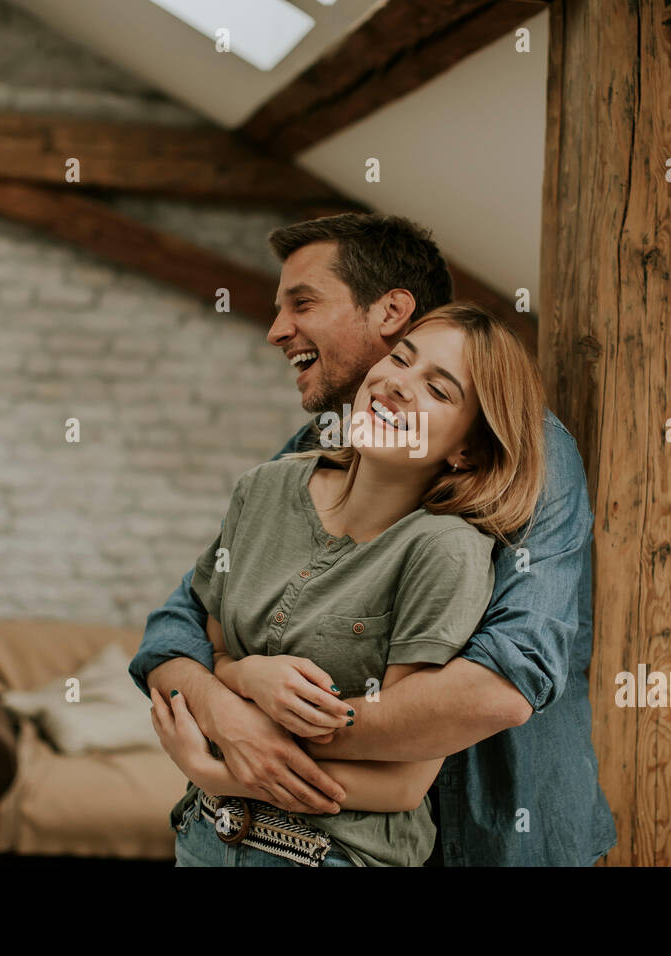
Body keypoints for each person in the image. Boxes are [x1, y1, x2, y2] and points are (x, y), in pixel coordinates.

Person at [131, 213, 617, 866]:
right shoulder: (310, 457)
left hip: (496, 839)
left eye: (303, 304)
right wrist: (228, 710)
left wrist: (255, 739)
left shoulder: (529, 454)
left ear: (390, 310)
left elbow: (501, 685)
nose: (279, 331)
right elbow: (175, 627)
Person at [151, 303, 546, 866]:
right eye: (400, 359)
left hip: (331, 854)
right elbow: (211, 650)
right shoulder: (262, 489)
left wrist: (218, 770)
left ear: (469, 450)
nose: (399, 385)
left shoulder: (445, 550)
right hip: (203, 836)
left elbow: (404, 783)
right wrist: (246, 675)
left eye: (439, 390)